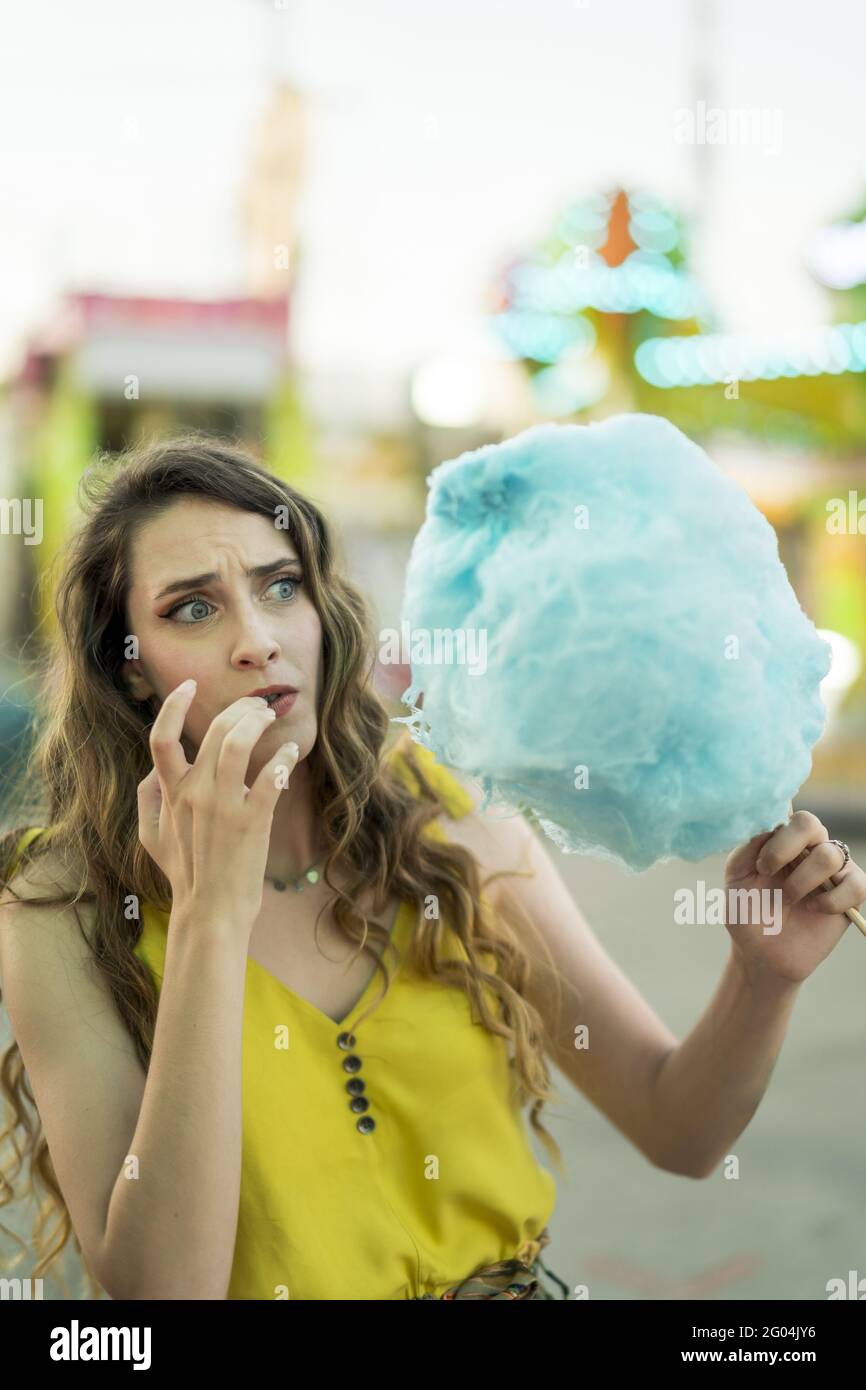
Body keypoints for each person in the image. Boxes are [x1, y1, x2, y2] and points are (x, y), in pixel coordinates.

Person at [2, 432, 864, 1301]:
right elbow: (163, 1292)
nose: (258, 640)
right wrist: (208, 919)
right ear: (133, 666)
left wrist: (763, 978)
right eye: (193, 608)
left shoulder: (445, 812)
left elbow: (679, 1127)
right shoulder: (55, 908)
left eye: (281, 586)